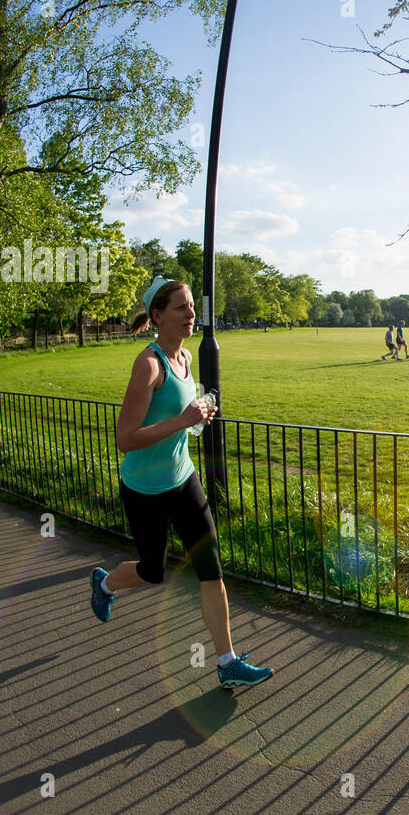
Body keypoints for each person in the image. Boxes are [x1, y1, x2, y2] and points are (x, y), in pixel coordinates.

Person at [89, 277, 272, 690]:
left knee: (211, 569)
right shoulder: (149, 364)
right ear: (158, 315)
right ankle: (104, 583)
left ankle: (227, 662)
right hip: (145, 489)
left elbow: (179, 419)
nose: (192, 314)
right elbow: (125, 439)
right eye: (181, 308)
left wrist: (195, 419)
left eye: (192, 307)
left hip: (183, 478)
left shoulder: (186, 358)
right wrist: (183, 420)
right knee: (152, 572)